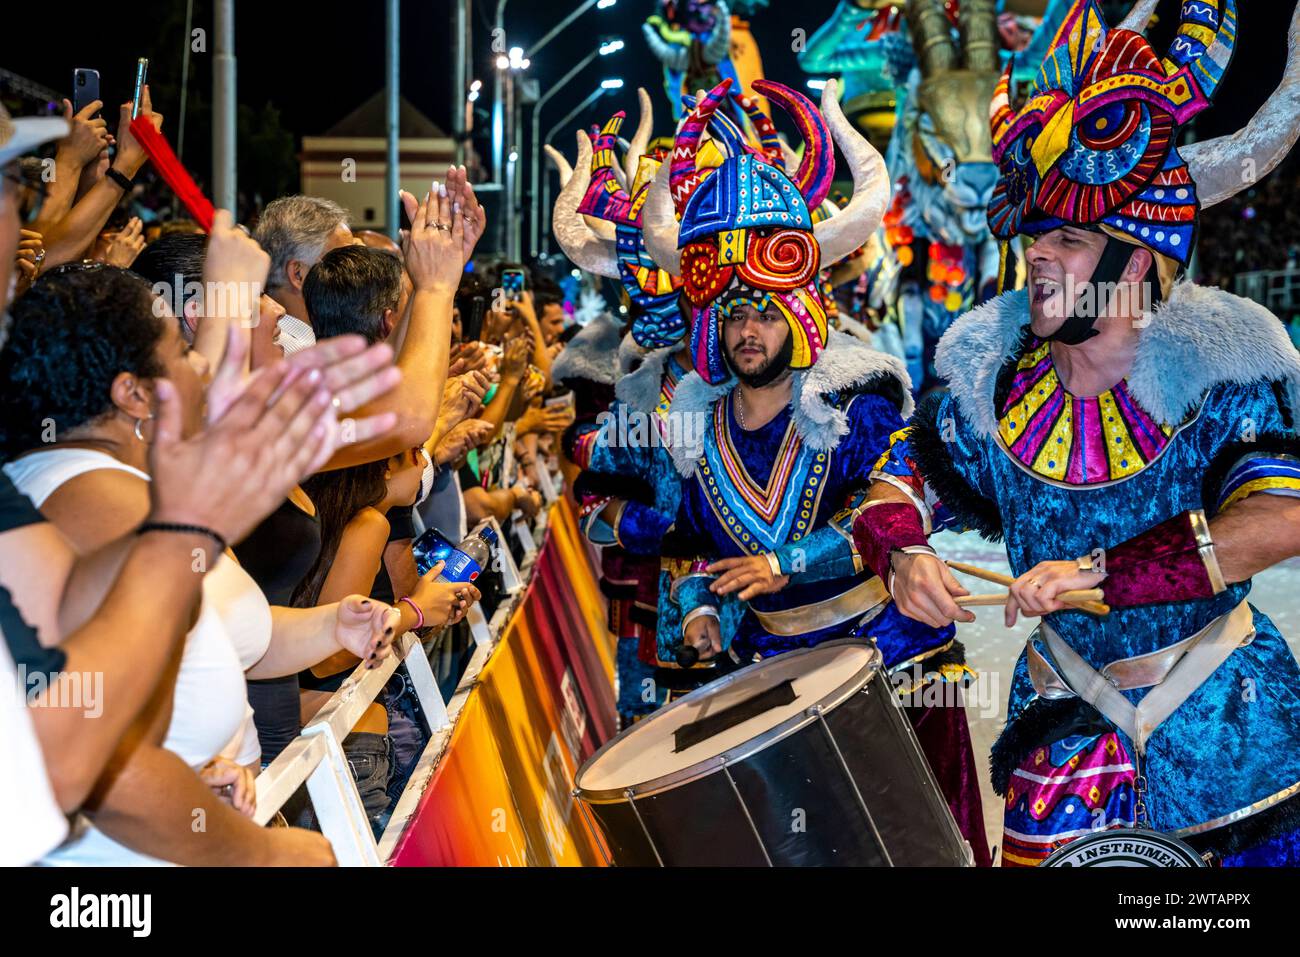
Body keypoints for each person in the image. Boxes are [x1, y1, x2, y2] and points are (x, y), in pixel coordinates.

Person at [857, 0, 1300, 865]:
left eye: (1067, 237)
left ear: (1135, 259)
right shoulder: (990, 380)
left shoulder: (1228, 364)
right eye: (1036, 237)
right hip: (1066, 739)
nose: (1040, 257)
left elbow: (1281, 519)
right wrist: (900, 554)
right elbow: (893, 480)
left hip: (1235, 729)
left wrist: (1103, 572)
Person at [642, 78, 990, 863]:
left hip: (898, 661)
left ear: (799, 310)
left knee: (931, 846)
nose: (747, 330)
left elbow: (887, 508)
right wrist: (700, 607)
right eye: (732, 315)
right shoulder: (695, 431)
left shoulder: (856, 401)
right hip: (781, 678)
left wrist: (783, 562)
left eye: (764, 310)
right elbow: (694, 549)